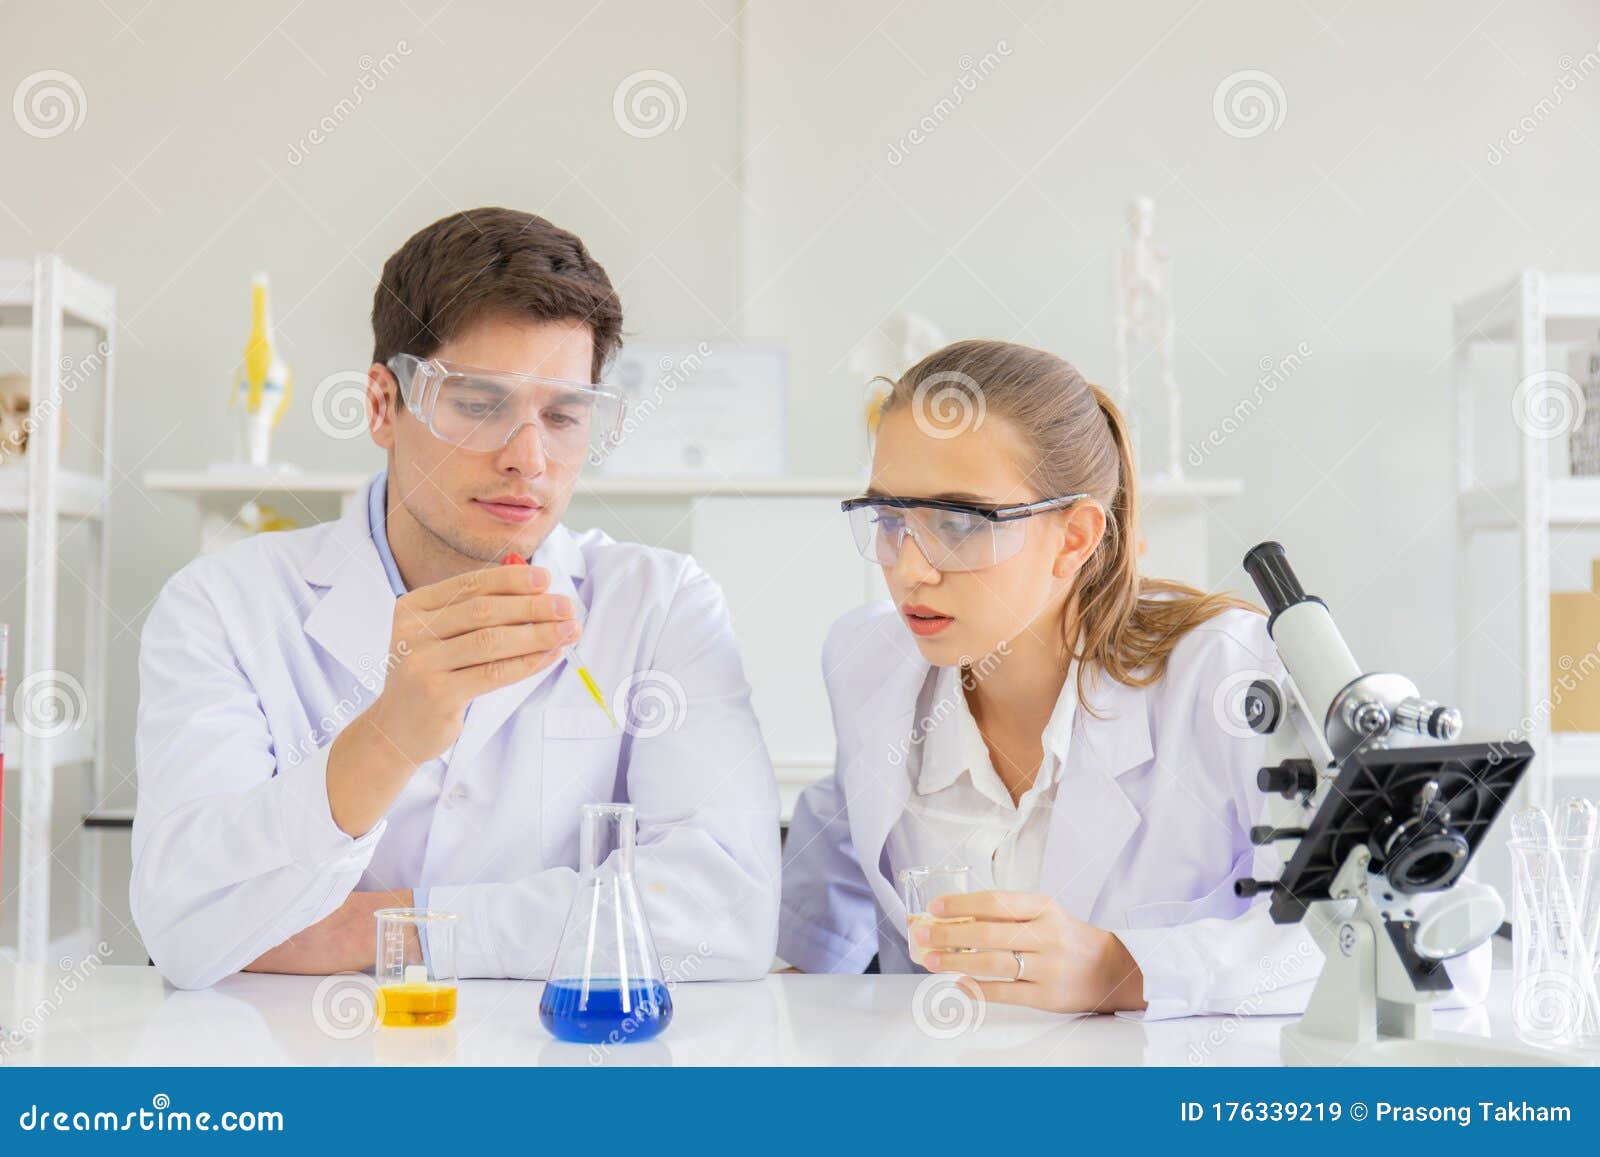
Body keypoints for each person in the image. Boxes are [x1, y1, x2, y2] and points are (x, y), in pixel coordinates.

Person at [132, 207, 780, 990]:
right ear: (381, 406)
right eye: (478, 404)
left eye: (566, 415)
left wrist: (388, 925)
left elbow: (726, 918)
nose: (528, 459)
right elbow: (187, 925)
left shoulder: (660, 605)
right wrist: (389, 739)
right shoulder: (224, 605)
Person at [778, 339, 1488, 1018]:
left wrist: (1121, 967)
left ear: (1077, 536)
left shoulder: (1225, 679)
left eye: (960, 524)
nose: (908, 566)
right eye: (888, 516)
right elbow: (834, 858)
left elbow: (1428, 936)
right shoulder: (871, 661)